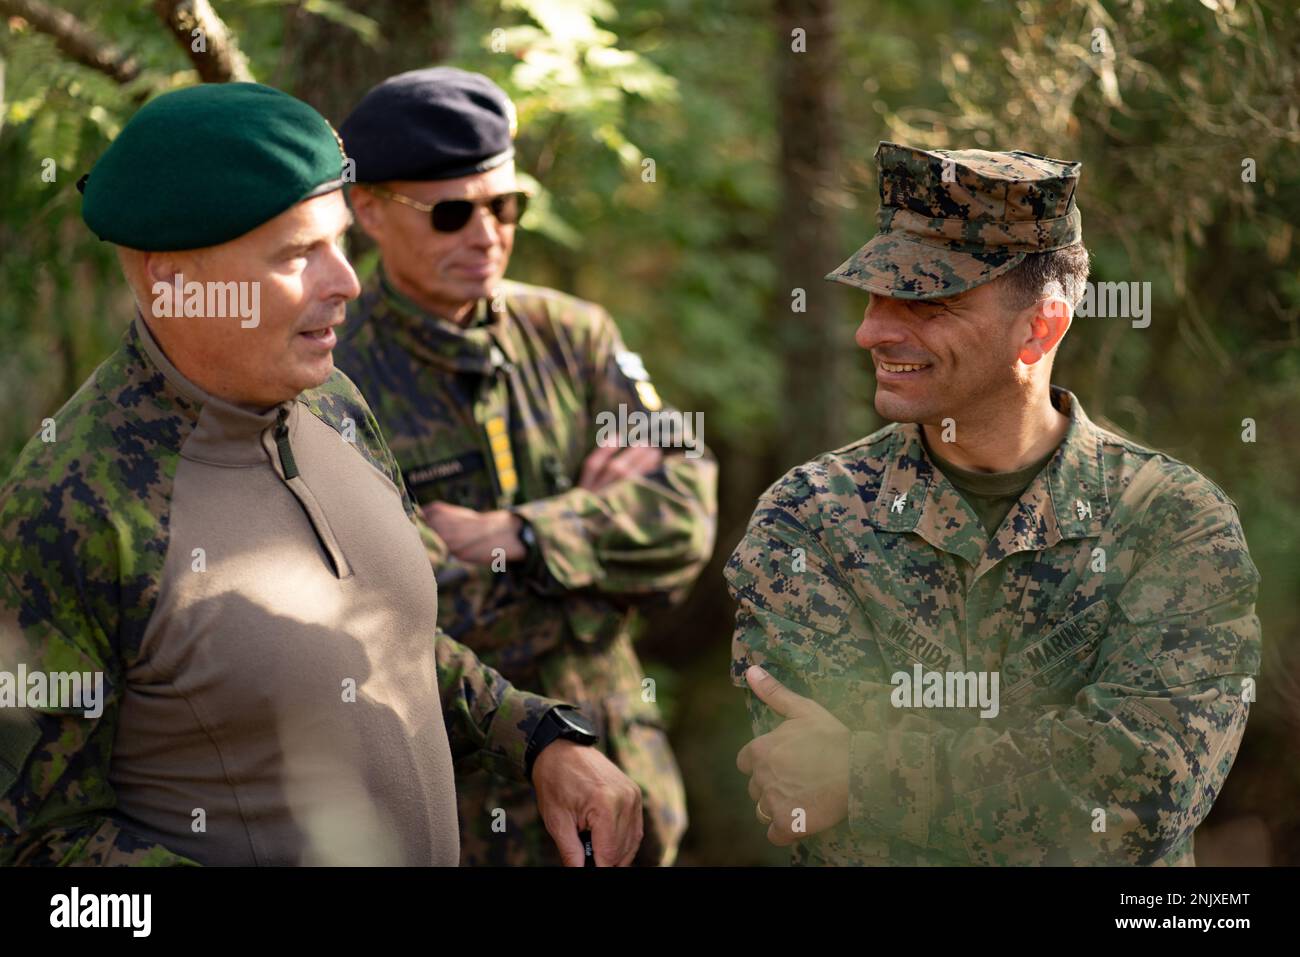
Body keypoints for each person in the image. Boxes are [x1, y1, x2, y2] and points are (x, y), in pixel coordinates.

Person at [0, 82, 642, 867]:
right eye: (300, 254)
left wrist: (538, 736)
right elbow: (38, 845)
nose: (348, 282)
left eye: (340, 242)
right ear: (175, 281)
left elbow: (384, 634)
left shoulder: (332, 400)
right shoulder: (66, 507)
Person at [727, 142, 1261, 865]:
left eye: (924, 302)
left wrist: (861, 772)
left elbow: (1140, 794)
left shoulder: (1174, 523)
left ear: (1040, 327)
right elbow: (819, 819)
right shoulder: (809, 518)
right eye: (875, 295)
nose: (873, 330)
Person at [334, 67, 717, 867]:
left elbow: (686, 515)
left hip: (624, 782)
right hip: (452, 804)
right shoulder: (332, 376)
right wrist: (597, 541)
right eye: (450, 213)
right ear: (367, 209)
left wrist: (522, 533)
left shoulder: (574, 335)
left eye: (505, 206)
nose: (487, 235)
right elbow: (391, 605)